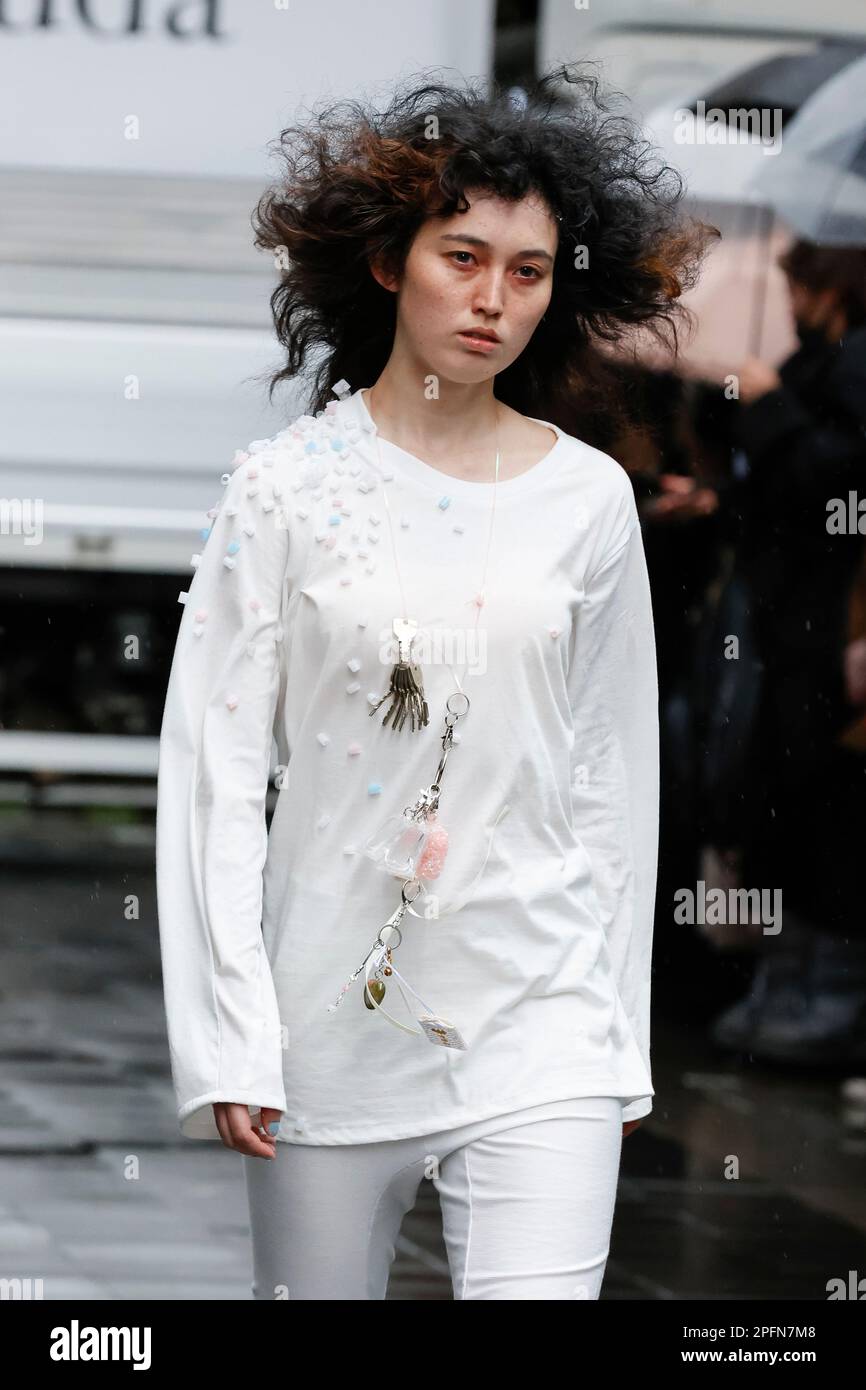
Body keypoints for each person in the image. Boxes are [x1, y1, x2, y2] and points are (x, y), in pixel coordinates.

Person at [155, 64, 714, 1299]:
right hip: (326, 1036)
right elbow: (215, 770)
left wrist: (616, 1040)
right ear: (386, 263)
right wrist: (227, 1035)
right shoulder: (283, 486)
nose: (492, 298)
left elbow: (613, 772)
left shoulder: (587, 498)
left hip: (541, 1020)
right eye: (461, 256)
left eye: (526, 271)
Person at [703, 240, 866, 1061]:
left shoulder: (848, 367)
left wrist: (768, 403)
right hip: (790, 617)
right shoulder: (818, 360)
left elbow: (836, 480)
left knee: (821, 799)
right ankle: (789, 983)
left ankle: (822, 997)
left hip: (826, 624)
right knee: (784, 791)